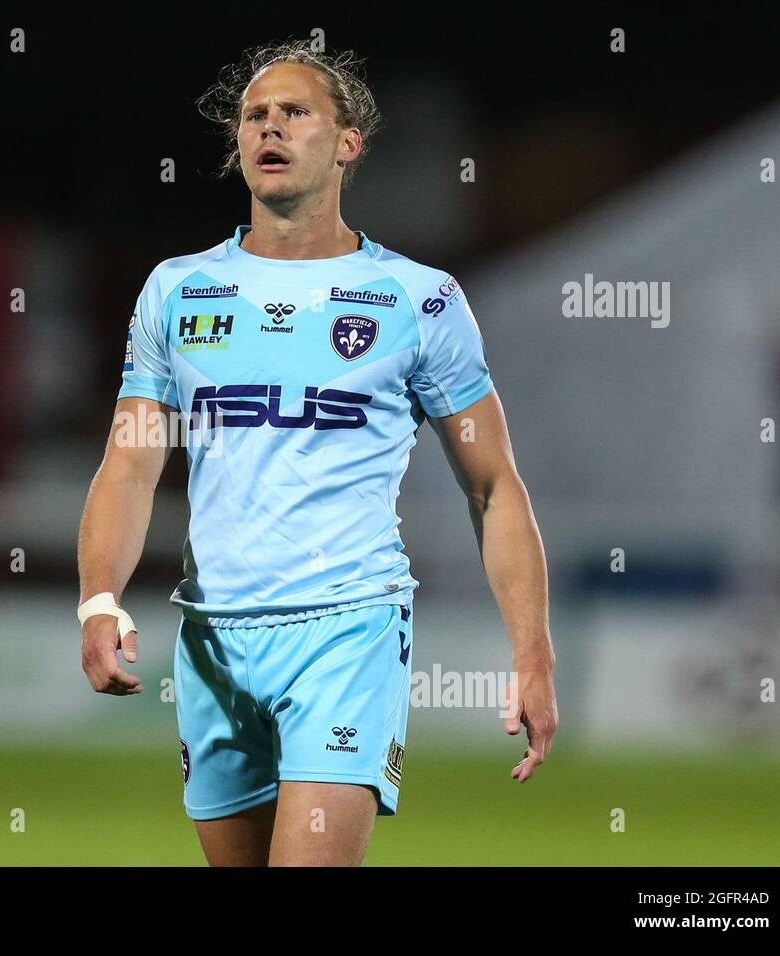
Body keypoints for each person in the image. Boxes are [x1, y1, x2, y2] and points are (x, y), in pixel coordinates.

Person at [77, 41, 557, 866]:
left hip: (347, 628)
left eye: (295, 112)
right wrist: (98, 599)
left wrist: (533, 653)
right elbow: (130, 462)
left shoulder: (418, 299)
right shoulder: (178, 290)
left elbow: (493, 487)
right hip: (213, 636)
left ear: (347, 143)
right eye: (254, 115)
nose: (270, 128)